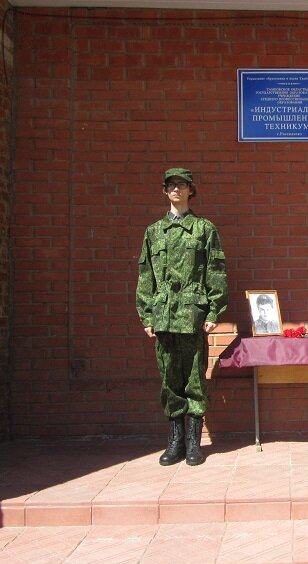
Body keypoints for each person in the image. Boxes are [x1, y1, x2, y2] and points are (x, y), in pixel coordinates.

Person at [136, 167, 228, 466]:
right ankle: (175, 441)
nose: (176, 189)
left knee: (194, 379)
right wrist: (147, 315)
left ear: (191, 190)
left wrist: (213, 310)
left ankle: (193, 443)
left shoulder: (204, 229)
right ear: (165, 191)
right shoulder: (153, 232)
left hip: (192, 315)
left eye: (182, 184)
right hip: (163, 314)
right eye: (171, 185)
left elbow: (216, 272)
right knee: (169, 379)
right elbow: (145, 276)